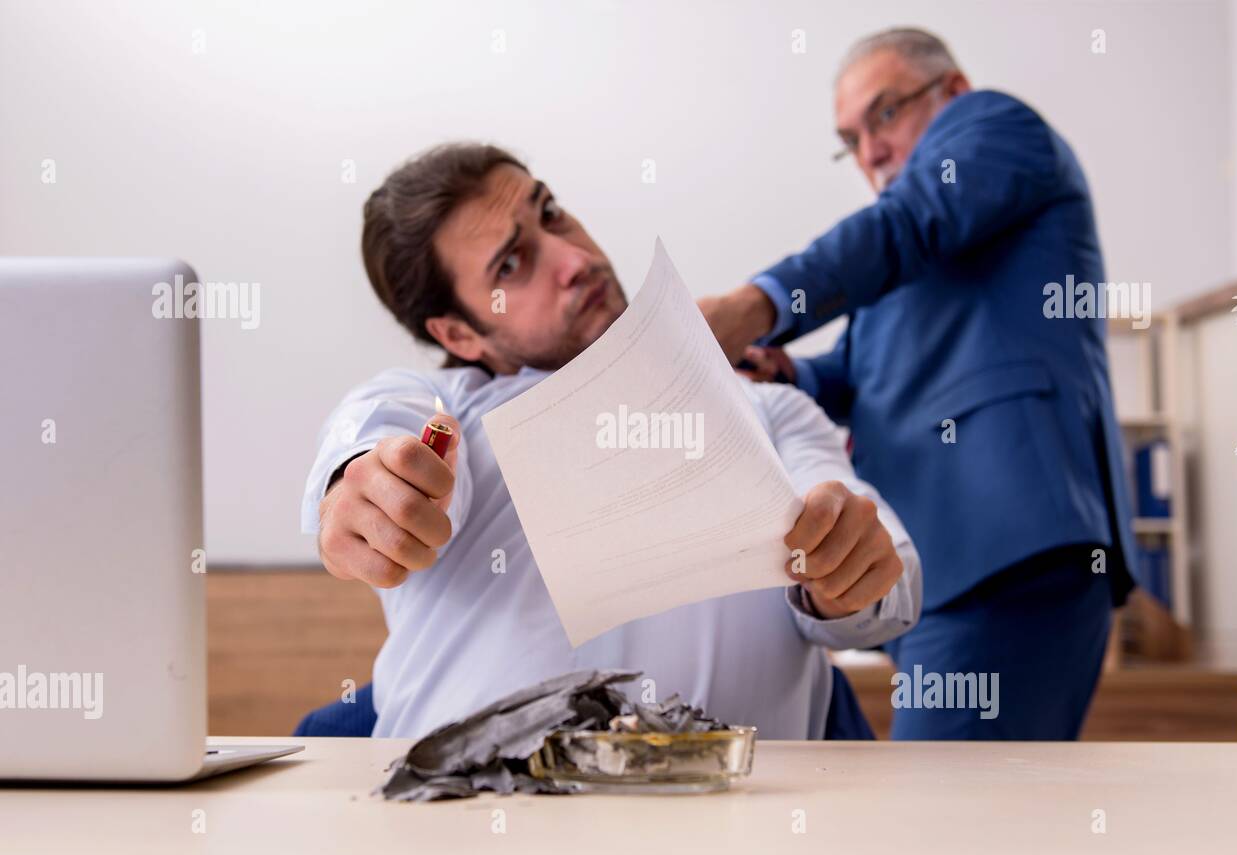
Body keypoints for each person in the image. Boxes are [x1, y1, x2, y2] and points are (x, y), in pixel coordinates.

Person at [300, 142, 922, 740]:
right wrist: (366, 490)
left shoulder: (770, 410)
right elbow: (371, 438)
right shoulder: (446, 411)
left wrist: (849, 572)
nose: (572, 259)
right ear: (460, 335)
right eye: (511, 264)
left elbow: (890, 593)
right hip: (470, 830)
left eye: (549, 214)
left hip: (734, 831)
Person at [698, 28, 1137, 740]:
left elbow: (906, 225)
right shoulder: (899, 254)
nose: (869, 150)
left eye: (885, 113)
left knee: (937, 825)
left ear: (953, 93)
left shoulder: (994, 130)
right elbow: (863, 372)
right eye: (851, 137)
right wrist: (791, 370)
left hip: (1005, 548)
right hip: (935, 570)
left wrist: (758, 303)